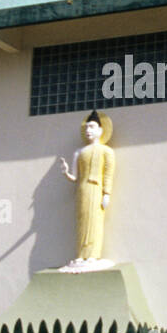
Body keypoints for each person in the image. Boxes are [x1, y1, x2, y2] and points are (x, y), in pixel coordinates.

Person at [59, 111, 115, 264]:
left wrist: (106, 194)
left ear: (100, 130)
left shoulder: (106, 151)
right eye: (86, 128)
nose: (88, 130)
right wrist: (66, 173)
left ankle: (93, 254)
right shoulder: (79, 152)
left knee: (95, 220)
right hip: (83, 190)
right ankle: (81, 254)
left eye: (92, 127)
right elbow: (75, 177)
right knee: (83, 221)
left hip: (96, 189)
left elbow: (108, 174)